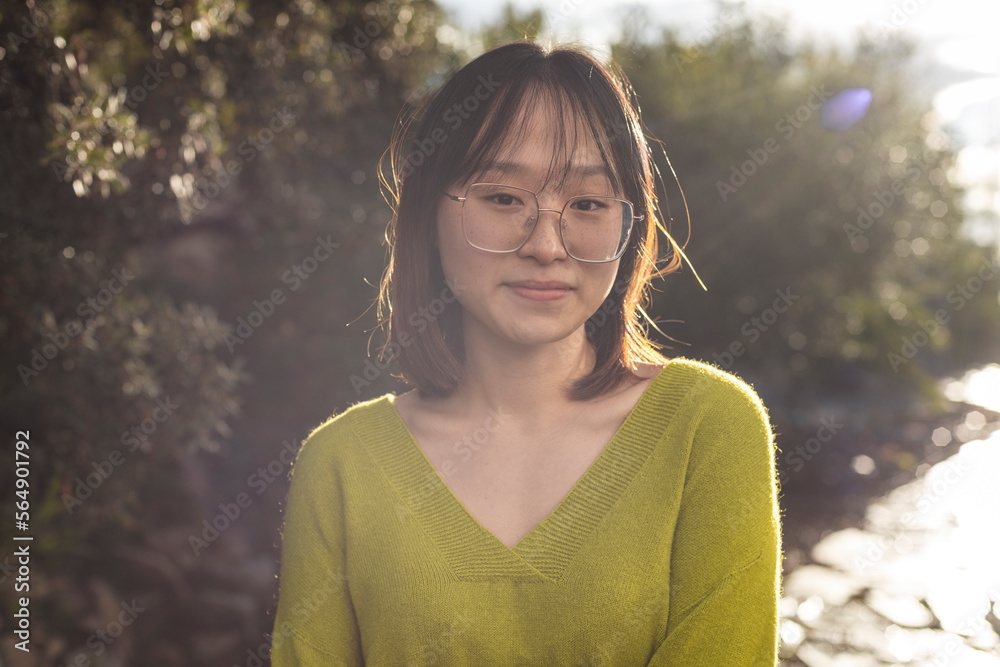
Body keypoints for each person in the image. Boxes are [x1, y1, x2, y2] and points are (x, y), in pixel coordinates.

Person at [270, 40, 782, 666]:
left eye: (588, 204)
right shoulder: (339, 464)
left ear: (629, 225)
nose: (546, 244)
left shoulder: (707, 427)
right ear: (428, 213)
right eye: (504, 198)